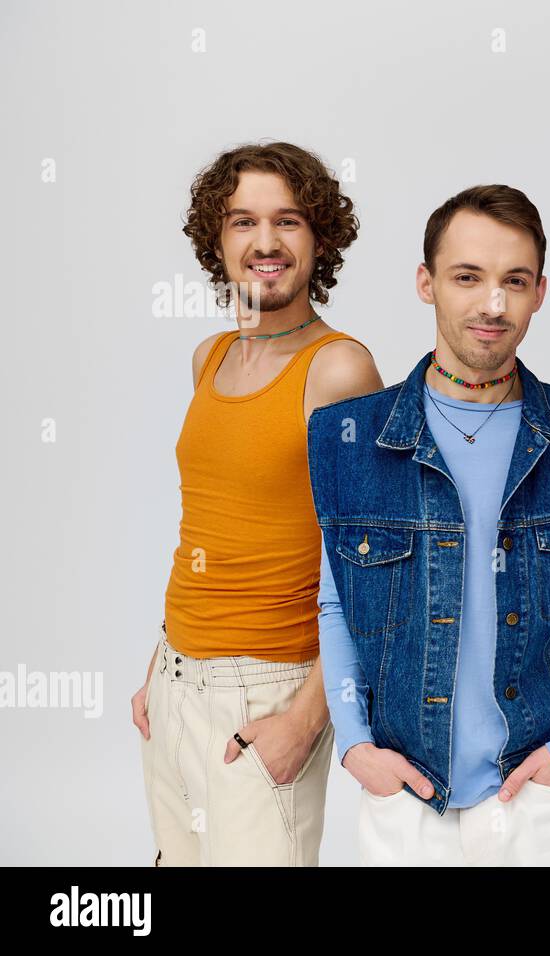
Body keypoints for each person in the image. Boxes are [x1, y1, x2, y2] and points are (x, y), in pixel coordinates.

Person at [309, 184, 550, 866]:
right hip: (405, 800)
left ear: (540, 292)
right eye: (468, 278)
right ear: (426, 282)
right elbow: (336, 600)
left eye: (514, 282)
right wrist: (355, 746)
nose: (493, 304)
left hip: (542, 801)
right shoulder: (351, 439)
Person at [133, 142, 383, 866]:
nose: (266, 243)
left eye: (289, 221)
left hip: (266, 692)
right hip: (176, 681)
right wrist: (161, 663)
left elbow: (374, 558)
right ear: (217, 239)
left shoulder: (338, 367)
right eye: (243, 222)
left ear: (320, 237)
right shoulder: (209, 356)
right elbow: (211, 521)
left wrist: (309, 719)